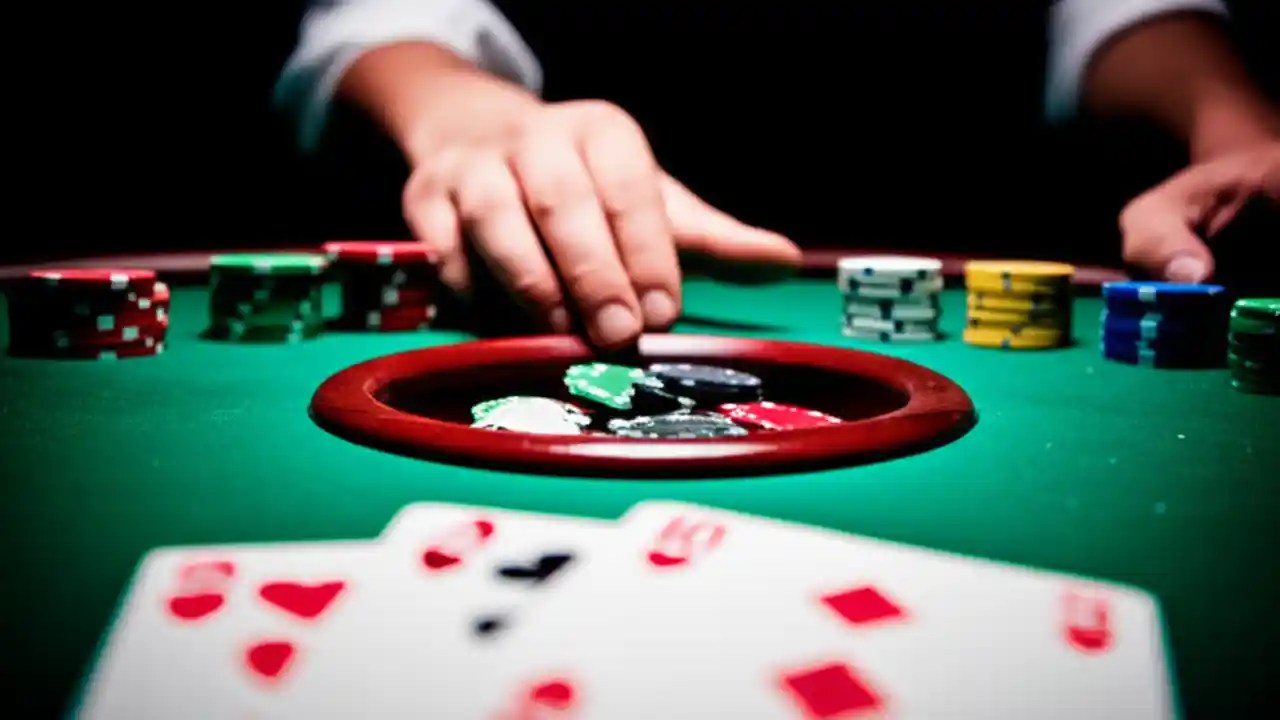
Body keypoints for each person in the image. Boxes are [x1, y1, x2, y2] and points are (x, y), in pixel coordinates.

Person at [274, 0, 1279, 349]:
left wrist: (1235, 122)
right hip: (539, 277)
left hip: (949, 195)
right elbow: (372, 19)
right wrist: (463, 117)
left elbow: (1114, 10)